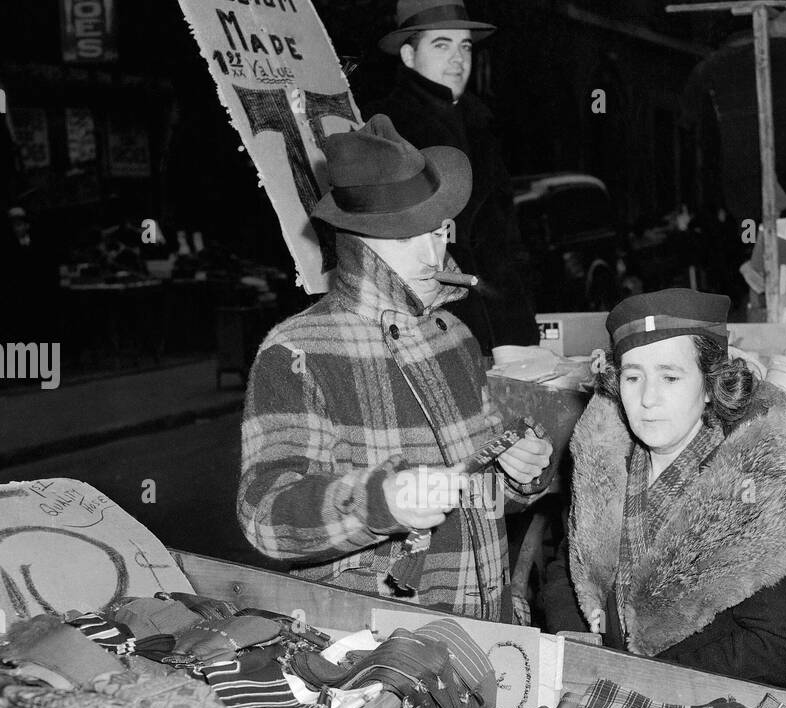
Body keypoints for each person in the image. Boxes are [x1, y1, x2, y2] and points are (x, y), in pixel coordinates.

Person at [237, 116, 554, 623]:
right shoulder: (297, 350)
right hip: (374, 647)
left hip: (483, 628)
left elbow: (480, 497)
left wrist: (515, 474)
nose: (436, 255)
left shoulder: (455, 336)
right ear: (362, 244)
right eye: (412, 238)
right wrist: (378, 500)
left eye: (440, 231)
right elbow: (264, 516)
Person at [543, 289, 786, 687]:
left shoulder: (754, 490)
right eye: (632, 376)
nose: (647, 399)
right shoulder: (603, 465)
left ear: (712, 385)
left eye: (670, 377)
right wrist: (581, 652)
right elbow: (565, 570)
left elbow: (782, 648)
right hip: (596, 690)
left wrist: (650, 680)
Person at [367, 0, 542, 359]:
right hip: (432, 337)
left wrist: (521, 329)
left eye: (465, 46)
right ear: (408, 55)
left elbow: (505, 243)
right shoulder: (386, 130)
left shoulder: (482, 126)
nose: (459, 58)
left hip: (504, 334)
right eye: (441, 44)